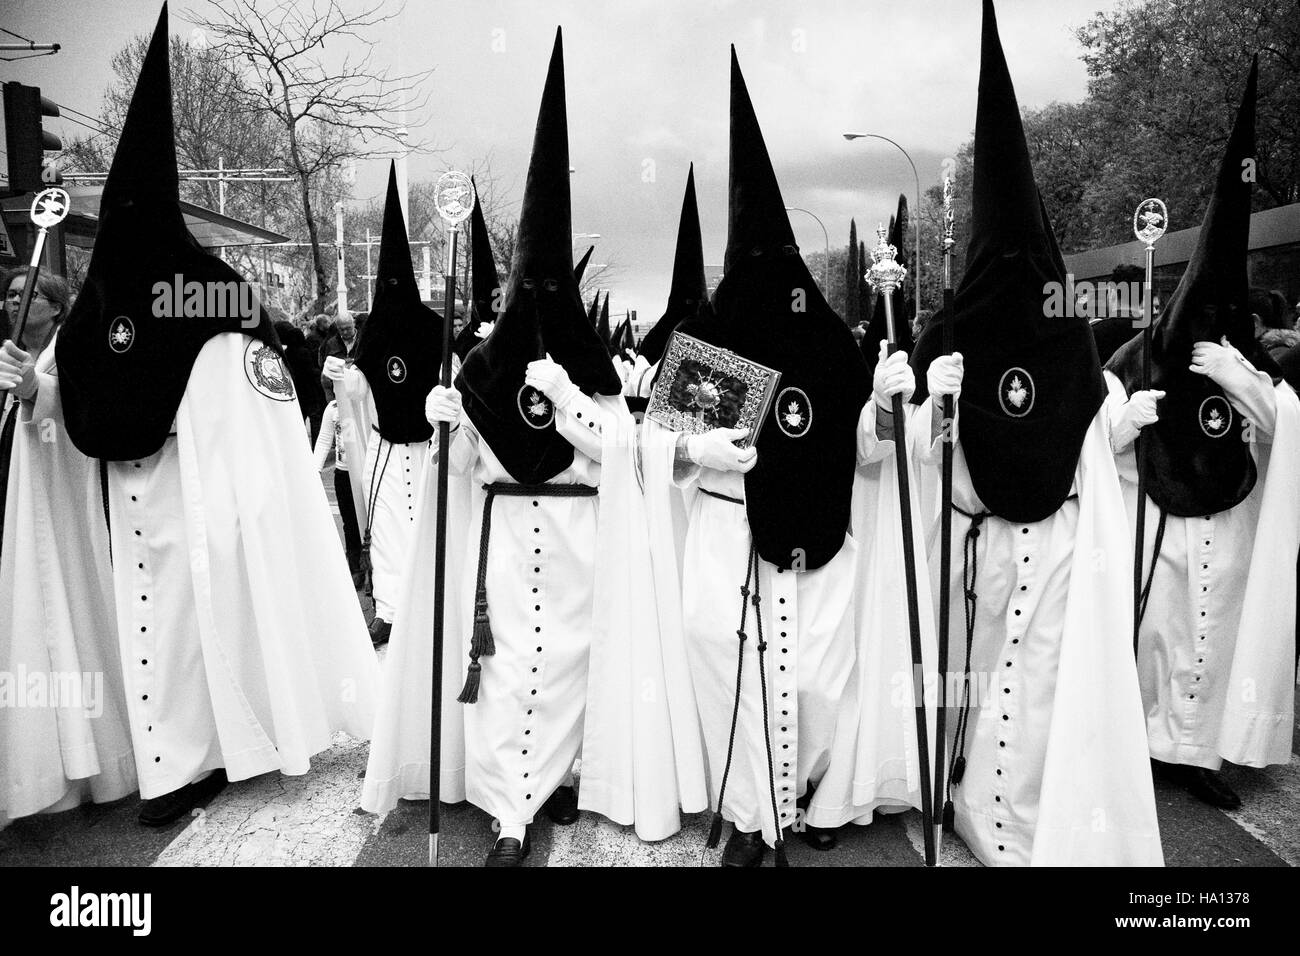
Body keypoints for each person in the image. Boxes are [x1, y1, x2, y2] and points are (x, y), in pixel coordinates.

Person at [2, 5, 379, 828]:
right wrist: (36, 390)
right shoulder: (100, 298)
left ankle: (194, 759)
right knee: (150, 637)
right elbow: (73, 384)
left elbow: (251, 394)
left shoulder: (209, 290)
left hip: (191, 492)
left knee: (189, 634)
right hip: (120, 502)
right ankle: (160, 760)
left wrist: (200, 437)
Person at [363, 28, 706, 865]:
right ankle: (509, 804)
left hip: (582, 536)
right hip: (507, 541)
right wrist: (452, 423)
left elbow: (618, 450)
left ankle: (560, 777)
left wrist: (568, 405)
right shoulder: (486, 364)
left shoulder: (589, 367)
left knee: (572, 664)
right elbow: (468, 469)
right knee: (510, 663)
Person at [906, 0, 1161, 866]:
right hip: (975, 544)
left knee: (1041, 688)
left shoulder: (1067, 331)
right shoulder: (950, 329)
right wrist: (928, 406)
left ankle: (1024, 826)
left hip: (1051, 547)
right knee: (968, 684)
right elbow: (914, 452)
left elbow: (1086, 429)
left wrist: (1116, 432)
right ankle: (957, 801)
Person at [639, 50, 885, 868]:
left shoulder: (826, 344)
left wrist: (886, 400)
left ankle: (800, 791)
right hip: (725, 535)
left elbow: (866, 447)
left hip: (814, 543)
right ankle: (751, 816)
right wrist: (693, 445)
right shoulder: (707, 341)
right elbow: (653, 443)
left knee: (811, 681)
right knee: (727, 667)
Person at [1106, 59, 1299, 811]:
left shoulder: (1248, 360)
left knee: (1213, 641)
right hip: (1157, 515)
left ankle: (1198, 751)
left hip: (1230, 516)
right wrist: (1127, 426)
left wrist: (1243, 379)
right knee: (1157, 631)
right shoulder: (1137, 354)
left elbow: (1285, 427)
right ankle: (1147, 743)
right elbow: (1099, 437)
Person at [327, 163, 442, 647]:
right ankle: (390, 610)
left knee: (432, 526)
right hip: (387, 452)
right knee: (388, 530)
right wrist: (340, 377)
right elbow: (360, 389)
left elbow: (446, 377)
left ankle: (434, 604)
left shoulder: (430, 327)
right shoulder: (370, 329)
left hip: (430, 449)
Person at [1, 271, 70, 553]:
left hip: (56, 473)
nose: (17, 301)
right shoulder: (6, 352)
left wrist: (35, 388)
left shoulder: (68, 351)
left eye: (30, 294)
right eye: (11, 295)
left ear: (56, 308)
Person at [314, 397, 365, 589]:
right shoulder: (333, 408)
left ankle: (374, 570)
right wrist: (315, 470)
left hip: (365, 472)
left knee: (371, 522)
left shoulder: (364, 400)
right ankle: (355, 569)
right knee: (349, 523)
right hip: (343, 474)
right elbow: (324, 439)